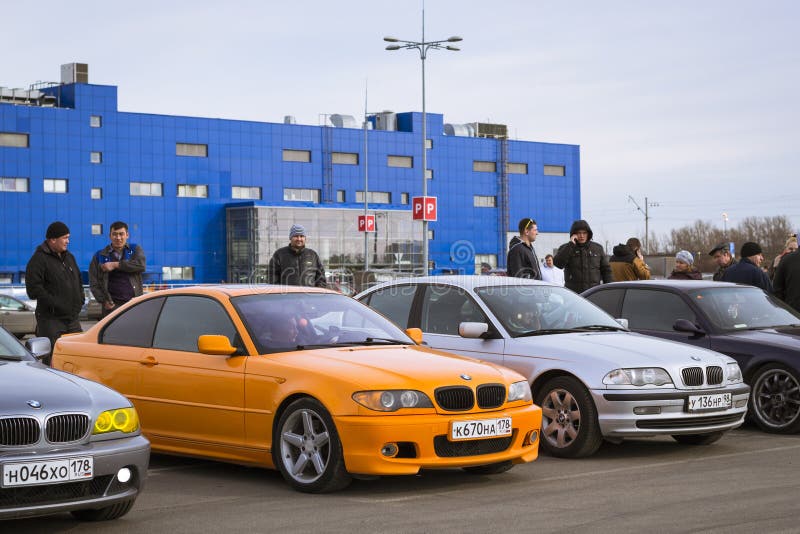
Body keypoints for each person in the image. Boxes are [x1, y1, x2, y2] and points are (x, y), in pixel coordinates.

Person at [25, 222, 83, 364]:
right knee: (53, 360)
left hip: (72, 319)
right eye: (65, 238)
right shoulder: (38, 260)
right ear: (53, 239)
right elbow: (33, 290)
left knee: (77, 357)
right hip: (51, 320)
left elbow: (79, 281)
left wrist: (80, 299)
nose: (68, 241)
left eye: (68, 237)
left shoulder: (70, 258)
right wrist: (56, 304)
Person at [89, 221, 146, 318]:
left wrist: (116, 265)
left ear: (127, 235)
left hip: (134, 303)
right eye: (114, 234)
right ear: (110, 236)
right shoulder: (99, 256)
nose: (118, 238)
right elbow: (94, 282)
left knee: (135, 332)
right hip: (112, 306)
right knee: (112, 333)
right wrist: (103, 300)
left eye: (121, 234)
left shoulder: (135, 249)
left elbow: (141, 265)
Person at [553, 219, 613, 293]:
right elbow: (558, 264)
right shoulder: (566, 248)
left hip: (594, 293)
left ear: (588, 234)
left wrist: (610, 289)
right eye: (579, 233)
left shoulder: (597, 248)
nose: (582, 236)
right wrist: (571, 245)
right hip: (573, 294)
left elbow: (606, 270)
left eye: (584, 233)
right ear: (574, 234)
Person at [773, 247, 800, 312]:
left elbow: (777, 289)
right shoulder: (787, 260)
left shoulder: (786, 259)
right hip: (793, 311)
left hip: (792, 312)